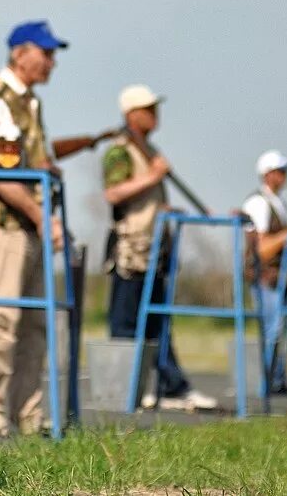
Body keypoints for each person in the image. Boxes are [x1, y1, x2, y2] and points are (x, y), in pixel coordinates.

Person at [0, 19, 67, 438]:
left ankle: (28, 415)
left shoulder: (28, 102)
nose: (52, 62)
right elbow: (0, 175)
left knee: (33, 325)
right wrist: (43, 216)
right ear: (20, 52)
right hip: (6, 226)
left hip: (27, 227)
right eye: (46, 53)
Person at [102, 85, 216, 411]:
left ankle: (171, 386)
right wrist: (152, 178)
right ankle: (123, 389)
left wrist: (164, 211)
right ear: (131, 114)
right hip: (130, 251)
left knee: (158, 324)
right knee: (125, 324)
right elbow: (113, 193)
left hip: (154, 250)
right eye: (148, 108)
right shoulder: (121, 150)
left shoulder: (146, 149)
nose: (155, 114)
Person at [240, 149, 287, 395]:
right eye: (280, 171)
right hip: (266, 277)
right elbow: (263, 248)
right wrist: (286, 237)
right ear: (268, 174)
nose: (285, 176)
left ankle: (276, 380)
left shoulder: (279, 203)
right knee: (271, 328)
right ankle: (264, 382)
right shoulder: (258, 203)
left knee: (280, 328)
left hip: (282, 276)